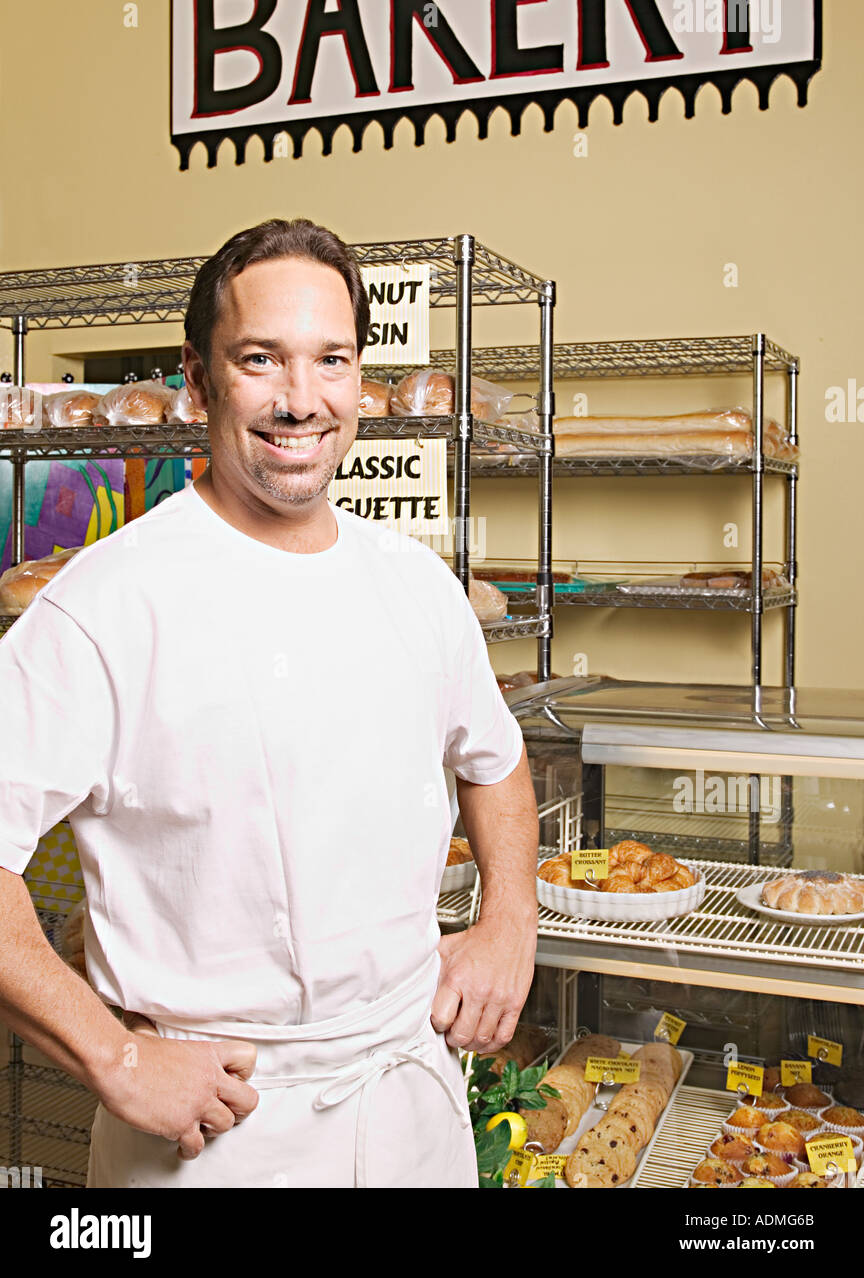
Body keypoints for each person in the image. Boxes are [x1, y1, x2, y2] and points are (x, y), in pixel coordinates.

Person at [0, 217, 539, 1188]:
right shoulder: (104, 606)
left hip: (411, 1104)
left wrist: (511, 918)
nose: (302, 400)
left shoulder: (417, 587)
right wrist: (114, 1055)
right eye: (262, 359)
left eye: (331, 360)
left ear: (359, 379)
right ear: (199, 381)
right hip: (215, 1131)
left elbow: (494, 761)